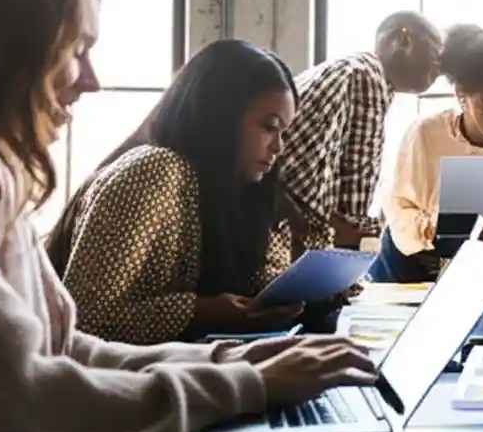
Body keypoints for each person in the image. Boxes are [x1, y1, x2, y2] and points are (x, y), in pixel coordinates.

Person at [0, 0, 375, 432]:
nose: (91, 80)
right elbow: (30, 397)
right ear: (1, 51)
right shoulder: (154, 172)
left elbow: (67, 350)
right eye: (74, 50)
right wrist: (245, 378)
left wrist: (245, 360)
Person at [49, 40, 311, 345]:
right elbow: (85, 321)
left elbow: (259, 279)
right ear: (220, 117)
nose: (278, 147)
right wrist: (198, 312)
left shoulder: (243, 185)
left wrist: (288, 293)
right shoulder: (155, 171)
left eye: (284, 132)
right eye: (269, 126)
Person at [369, 22, 483, 282]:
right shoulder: (426, 133)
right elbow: (400, 210)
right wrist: (438, 227)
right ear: (461, 94)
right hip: (412, 262)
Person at [282, 11, 442, 251]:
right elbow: (352, 200)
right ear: (403, 39)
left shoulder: (349, 70)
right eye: (436, 54)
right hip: (290, 239)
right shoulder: (366, 77)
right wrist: (344, 233)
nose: (440, 68)